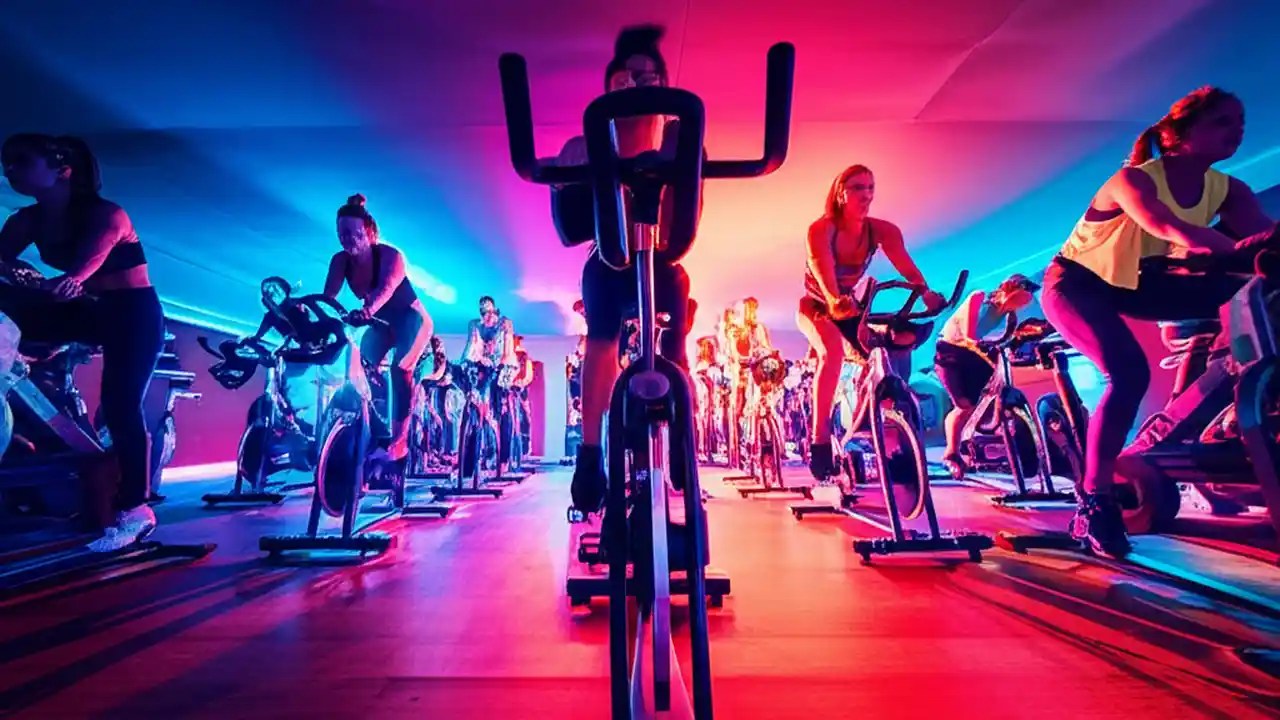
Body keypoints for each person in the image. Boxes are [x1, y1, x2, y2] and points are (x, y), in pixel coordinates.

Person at [1041, 86, 1275, 558]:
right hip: (1078, 284)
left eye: (1241, 121)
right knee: (1128, 374)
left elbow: (1263, 238)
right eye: (1223, 122)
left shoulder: (1229, 189)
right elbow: (1170, 228)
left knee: (1261, 291)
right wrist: (1221, 249)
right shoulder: (1133, 180)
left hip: (1144, 283)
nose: (1238, 130)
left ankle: (1238, 403)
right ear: (1180, 135)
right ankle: (1095, 501)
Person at [555, 25, 702, 515]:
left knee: (676, 333)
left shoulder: (683, 139)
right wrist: (566, 182)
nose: (637, 85)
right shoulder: (588, 143)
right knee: (602, 337)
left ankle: (682, 441)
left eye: (648, 76)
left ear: (662, 82)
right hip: (610, 258)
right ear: (608, 89)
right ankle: (591, 454)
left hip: (663, 259)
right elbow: (569, 229)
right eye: (625, 79)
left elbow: (686, 225)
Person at [0, 134, 165, 552]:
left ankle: (137, 510)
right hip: (90, 310)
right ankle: (18, 354)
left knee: (121, 402)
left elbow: (90, 259)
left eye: (21, 160)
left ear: (62, 170)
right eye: (6, 161)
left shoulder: (108, 215)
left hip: (133, 313)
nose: (10, 168)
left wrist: (72, 279)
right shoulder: (25, 220)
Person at [797, 164, 948, 482]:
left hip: (851, 308)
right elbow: (824, 273)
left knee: (891, 346)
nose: (866, 195)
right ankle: (820, 439)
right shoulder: (821, 230)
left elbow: (906, 266)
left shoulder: (883, 230)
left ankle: (886, 424)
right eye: (858, 188)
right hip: (818, 306)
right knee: (832, 352)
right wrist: (834, 299)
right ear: (841, 192)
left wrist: (926, 293)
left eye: (870, 187)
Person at [322, 194, 433, 468]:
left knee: (400, 369)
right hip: (380, 322)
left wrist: (367, 310)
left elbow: (384, 291)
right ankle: (374, 422)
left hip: (411, 320)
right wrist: (317, 316)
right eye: (341, 234)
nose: (346, 240)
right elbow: (328, 298)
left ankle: (400, 443)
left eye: (353, 234)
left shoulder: (391, 256)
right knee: (360, 366)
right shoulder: (339, 261)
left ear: (369, 233)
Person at [933, 274, 1040, 477]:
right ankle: (951, 453)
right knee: (963, 405)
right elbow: (969, 333)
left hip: (976, 354)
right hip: (951, 353)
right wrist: (984, 345)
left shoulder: (1010, 317)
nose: (1026, 302)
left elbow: (1006, 339)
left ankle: (994, 443)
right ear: (1011, 289)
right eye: (1024, 295)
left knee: (995, 396)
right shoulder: (978, 297)